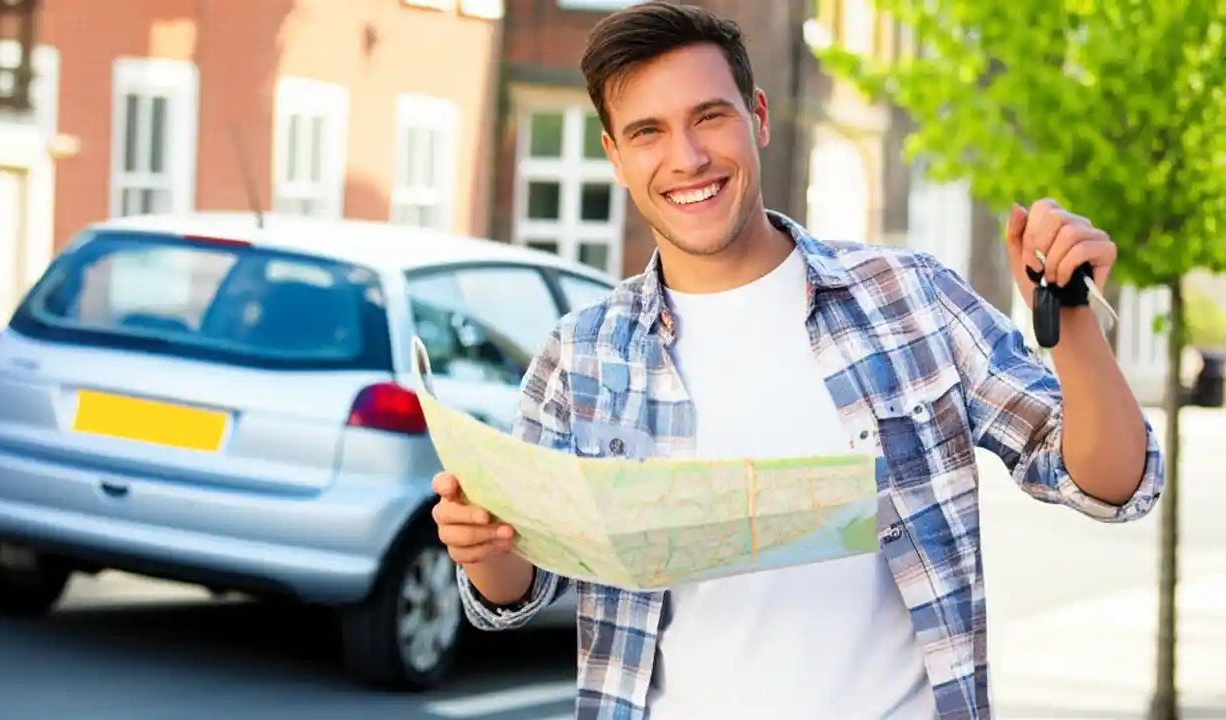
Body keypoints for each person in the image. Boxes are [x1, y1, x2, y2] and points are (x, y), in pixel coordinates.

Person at [429, 2, 1164, 718]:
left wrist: (1070, 319)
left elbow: (1112, 484)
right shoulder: (581, 355)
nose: (687, 158)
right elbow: (519, 589)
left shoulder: (910, 298)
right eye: (648, 131)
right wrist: (482, 547)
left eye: (709, 117)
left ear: (759, 117)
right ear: (615, 155)